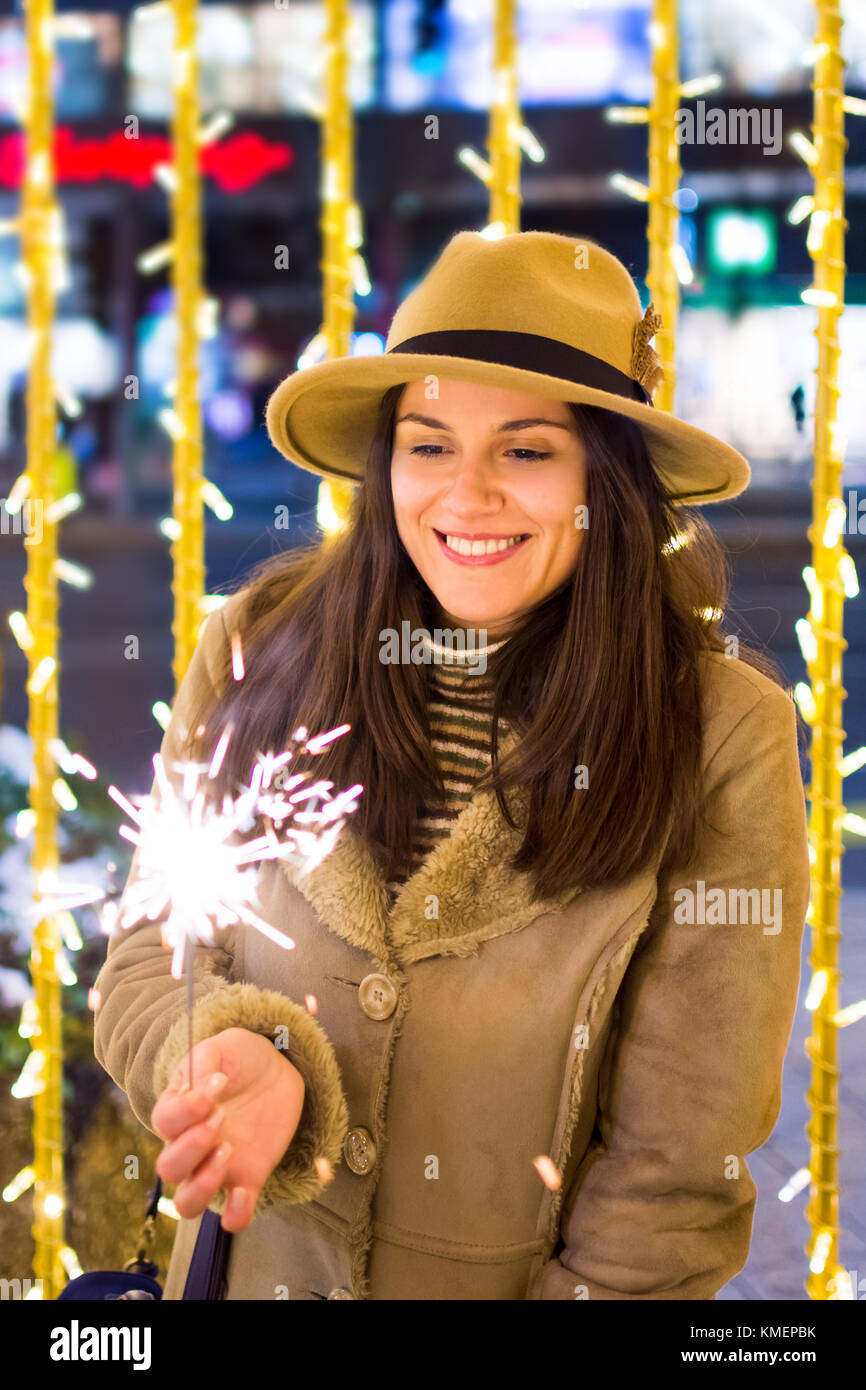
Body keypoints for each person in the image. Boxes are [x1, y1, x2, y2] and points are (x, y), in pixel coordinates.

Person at [93, 229, 811, 1300]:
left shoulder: (716, 732)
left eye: (525, 451)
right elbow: (148, 957)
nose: (465, 496)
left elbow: (673, 1174)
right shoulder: (258, 644)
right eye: (427, 445)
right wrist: (218, 1055)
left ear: (600, 480)